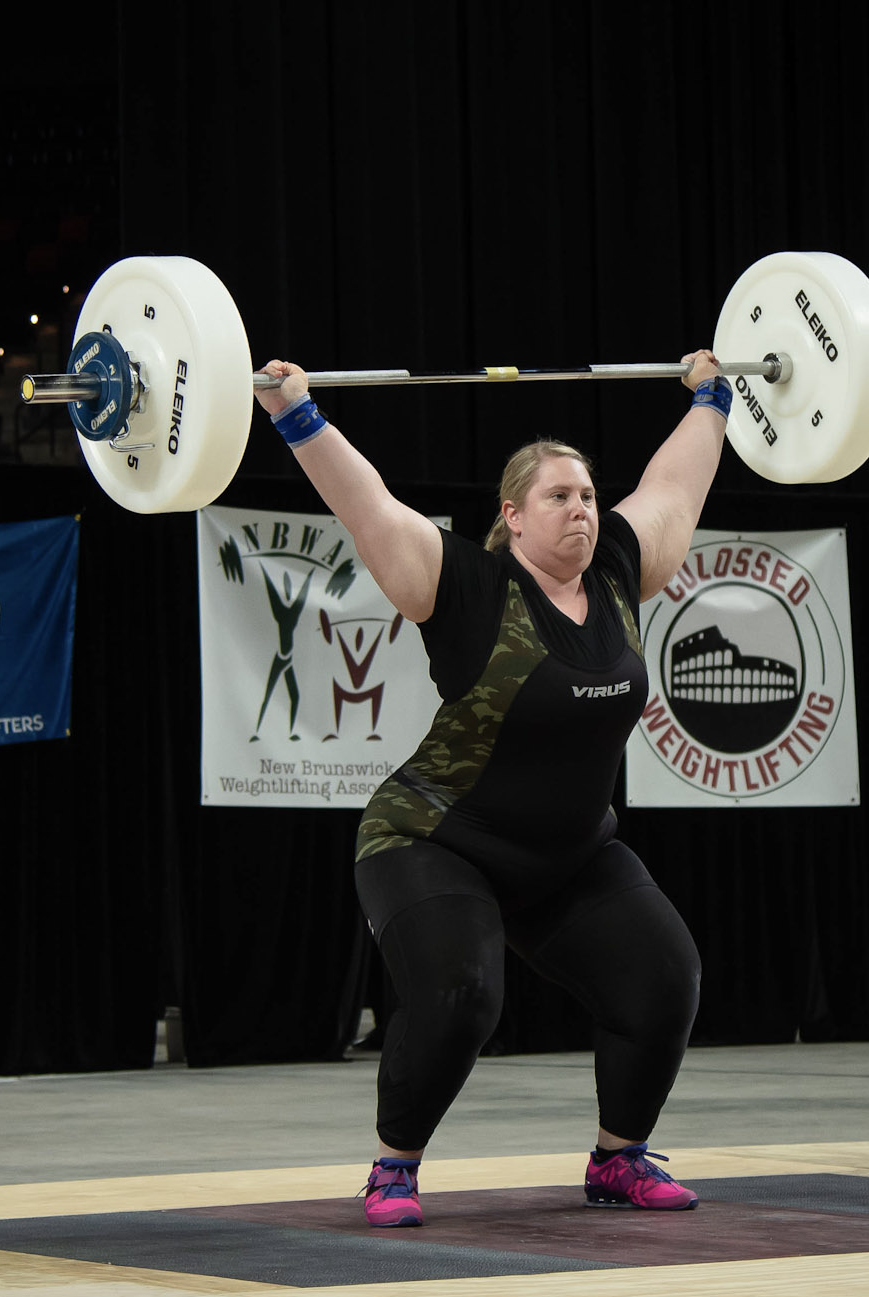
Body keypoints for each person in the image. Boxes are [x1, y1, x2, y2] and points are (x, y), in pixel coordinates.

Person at [255, 353, 731, 1227]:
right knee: (461, 993)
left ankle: (618, 1159)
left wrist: (714, 394)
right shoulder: (467, 586)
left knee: (666, 976)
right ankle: (394, 1167)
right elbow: (369, 507)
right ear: (512, 515)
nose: (582, 509)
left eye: (588, 495)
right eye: (559, 496)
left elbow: (676, 484)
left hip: (569, 856)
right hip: (434, 839)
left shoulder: (618, 569)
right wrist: (296, 413)